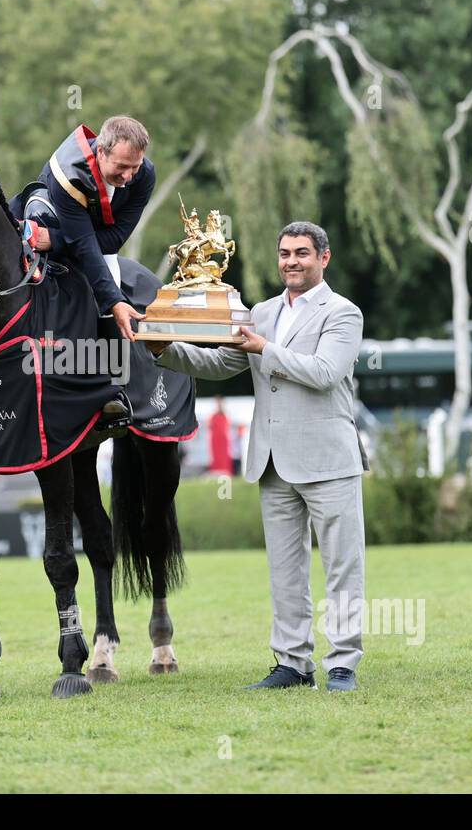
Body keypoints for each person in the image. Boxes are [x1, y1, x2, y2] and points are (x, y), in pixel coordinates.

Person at [145, 221, 368, 692]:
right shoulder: (261, 312)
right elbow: (223, 364)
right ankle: (293, 664)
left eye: (302, 253)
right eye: (285, 253)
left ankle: (343, 662)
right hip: (271, 461)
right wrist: (165, 349)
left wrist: (266, 348)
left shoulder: (344, 313)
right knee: (285, 572)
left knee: (342, 567)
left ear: (323, 259)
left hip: (329, 460)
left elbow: (325, 373)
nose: (292, 261)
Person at [19, 115, 155, 341]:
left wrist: (55, 239)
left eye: (135, 167)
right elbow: (83, 243)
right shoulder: (68, 173)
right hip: (41, 225)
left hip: (68, 240)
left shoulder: (146, 175)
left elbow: (115, 239)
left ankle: (115, 369)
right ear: (101, 152)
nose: (128, 176)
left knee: (112, 301)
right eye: (121, 166)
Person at [208, 396, 231, 475]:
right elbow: (209, 426)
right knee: (216, 455)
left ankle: (224, 469)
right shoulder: (214, 416)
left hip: (222, 438)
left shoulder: (224, 415)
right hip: (216, 439)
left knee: (223, 455)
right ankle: (217, 469)